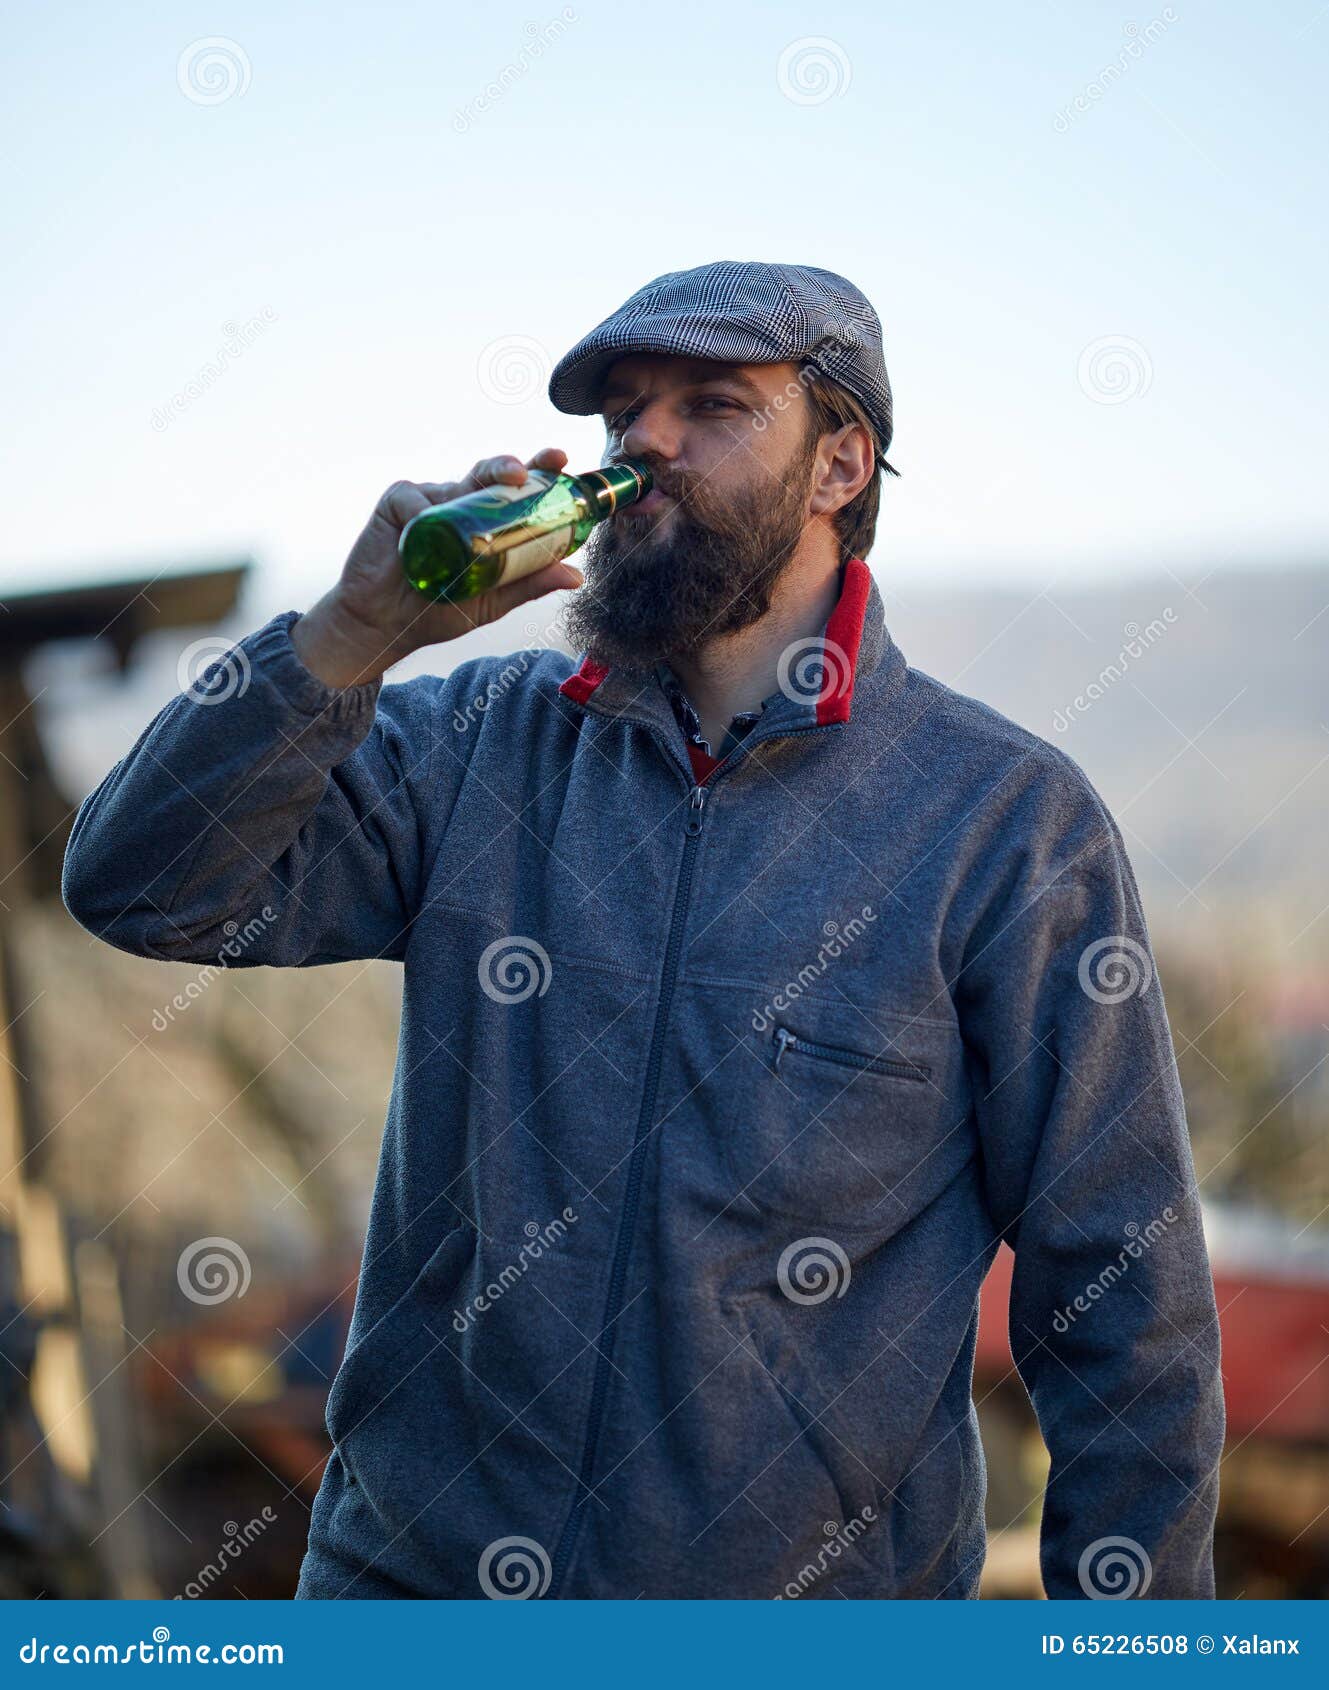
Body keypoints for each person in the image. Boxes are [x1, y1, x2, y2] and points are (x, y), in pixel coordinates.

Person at [62, 261, 1223, 1600]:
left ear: (840, 463)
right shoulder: (479, 744)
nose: (646, 443)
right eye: (626, 415)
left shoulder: (1002, 824)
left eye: (711, 404)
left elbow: (1122, 1295)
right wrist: (346, 636)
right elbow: (143, 885)